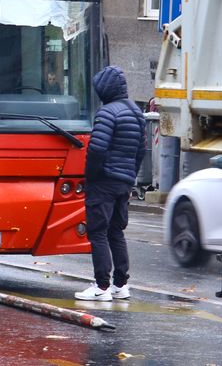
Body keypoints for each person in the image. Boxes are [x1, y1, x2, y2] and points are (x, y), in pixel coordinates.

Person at [75, 65, 144, 302]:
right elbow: (141, 150)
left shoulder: (107, 113)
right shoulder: (136, 111)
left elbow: (96, 150)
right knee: (117, 231)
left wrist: (90, 176)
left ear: (104, 89)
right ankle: (120, 284)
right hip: (124, 182)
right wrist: (130, 177)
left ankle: (101, 286)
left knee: (98, 232)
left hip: (103, 181)